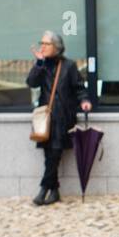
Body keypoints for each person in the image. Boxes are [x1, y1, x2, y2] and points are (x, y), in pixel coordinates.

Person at [27, 31, 90, 205]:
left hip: (63, 118)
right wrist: (38, 63)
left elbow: (79, 87)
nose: (42, 47)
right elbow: (31, 82)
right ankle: (54, 192)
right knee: (50, 155)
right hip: (46, 119)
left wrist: (84, 100)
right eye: (42, 43)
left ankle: (43, 190)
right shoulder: (42, 65)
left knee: (54, 153)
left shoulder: (68, 66)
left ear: (56, 47)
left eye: (46, 44)